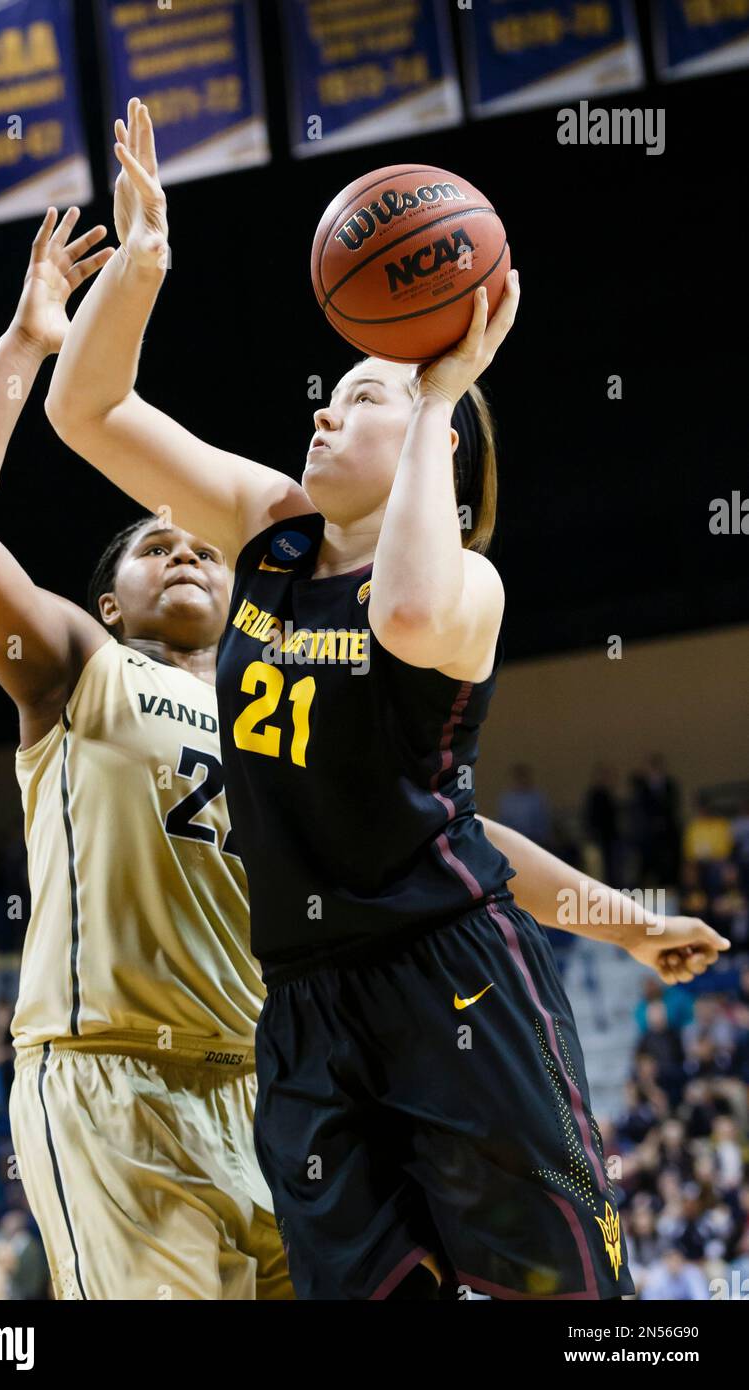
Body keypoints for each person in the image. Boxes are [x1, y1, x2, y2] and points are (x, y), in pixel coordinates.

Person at [44, 98, 730, 1300]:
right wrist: (143, 266)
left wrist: (431, 387)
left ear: (436, 440)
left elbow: (406, 638)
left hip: (448, 977)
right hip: (302, 1002)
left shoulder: (463, 584)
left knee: (561, 1302)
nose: (322, 408)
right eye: (340, 394)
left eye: (358, 398)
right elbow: (84, 410)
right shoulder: (269, 537)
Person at [0, 211, 290, 1301]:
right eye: (153, 544)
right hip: (114, 1078)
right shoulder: (79, 665)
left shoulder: (279, 709)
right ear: (108, 602)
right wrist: (27, 342)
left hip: (271, 1089)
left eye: (204, 548)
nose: (184, 548)